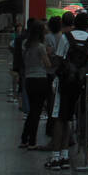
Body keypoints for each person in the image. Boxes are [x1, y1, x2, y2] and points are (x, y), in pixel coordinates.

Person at [48, 11, 88, 170]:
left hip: (64, 83)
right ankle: (65, 155)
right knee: (68, 118)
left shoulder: (65, 37)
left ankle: (55, 157)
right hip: (80, 84)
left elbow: (59, 58)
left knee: (58, 117)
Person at [20, 20, 53, 150]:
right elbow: (47, 64)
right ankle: (32, 141)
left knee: (32, 111)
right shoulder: (40, 47)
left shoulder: (25, 45)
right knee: (36, 111)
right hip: (40, 79)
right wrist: (49, 54)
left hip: (29, 79)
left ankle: (24, 139)